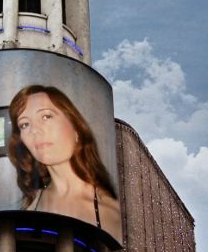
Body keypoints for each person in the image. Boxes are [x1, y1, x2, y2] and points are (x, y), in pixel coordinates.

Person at [8, 84, 122, 242]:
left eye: (46, 116)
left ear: (76, 129)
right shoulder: (30, 209)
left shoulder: (110, 213)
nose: (35, 130)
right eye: (24, 124)